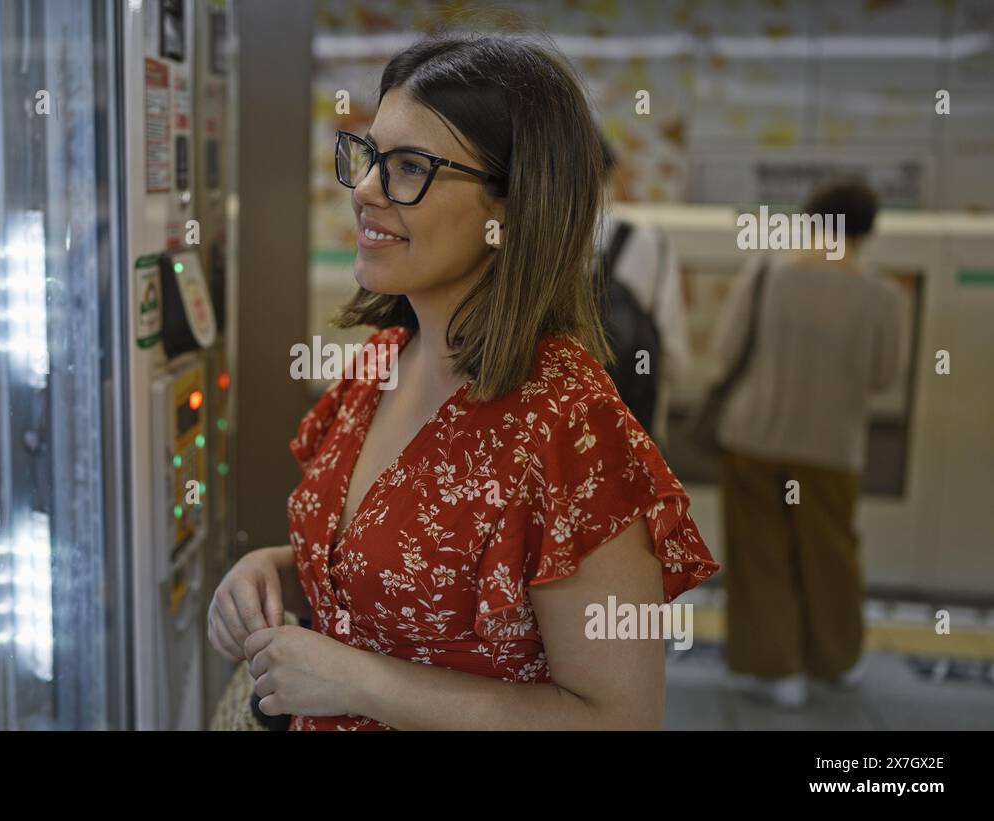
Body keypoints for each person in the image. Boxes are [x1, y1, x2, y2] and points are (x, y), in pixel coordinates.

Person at [207, 33, 718, 730]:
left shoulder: (568, 425)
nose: (363, 189)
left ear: (510, 206)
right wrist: (272, 573)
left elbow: (620, 717)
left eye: (409, 167)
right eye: (368, 157)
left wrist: (362, 683)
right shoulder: (382, 362)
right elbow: (386, 575)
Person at [712, 178, 903, 709]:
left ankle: (776, 673)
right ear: (866, 230)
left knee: (760, 554)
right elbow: (884, 376)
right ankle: (836, 661)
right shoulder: (882, 296)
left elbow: (727, 352)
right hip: (832, 448)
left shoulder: (768, 274)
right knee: (832, 553)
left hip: (754, 438)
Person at [593, 139, 691, 439]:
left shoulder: (531, 235)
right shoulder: (647, 240)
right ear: (612, 172)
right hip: (629, 417)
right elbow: (672, 351)